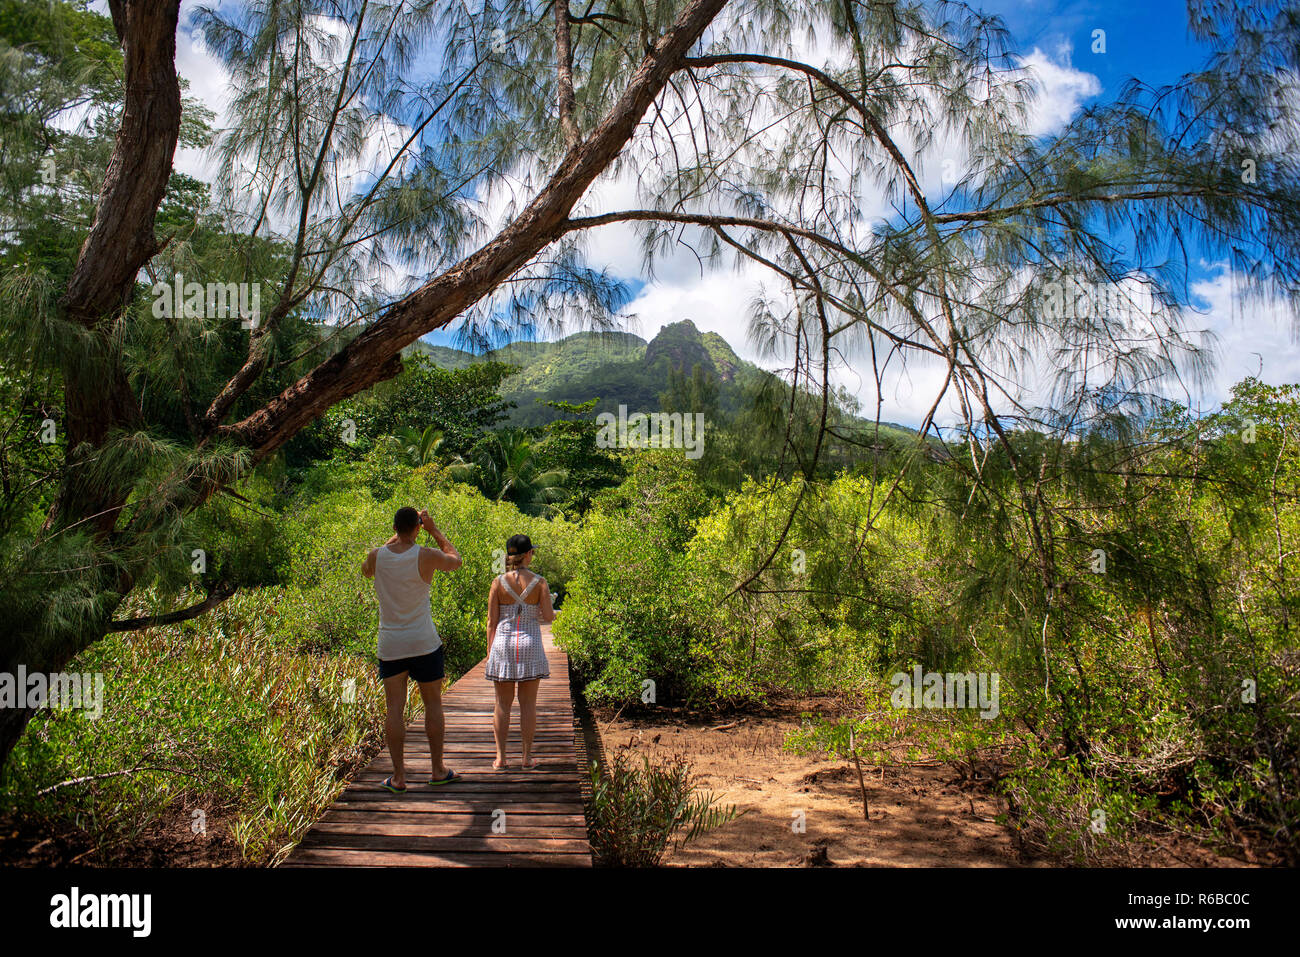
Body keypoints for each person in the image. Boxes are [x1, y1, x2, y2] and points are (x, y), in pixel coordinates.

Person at [361, 507, 462, 792]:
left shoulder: (375, 556)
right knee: (433, 704)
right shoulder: (425, 555)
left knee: (394, 708)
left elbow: (366, 572)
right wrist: (433, 530)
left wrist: (394, 539)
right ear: (417, 527)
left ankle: (398, 777)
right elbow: (456, 561)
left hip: (391, 644)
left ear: (394, 528)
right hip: (423, 642)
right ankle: (438, 770)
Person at [484, 534, 556, 770]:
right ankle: (526, 758)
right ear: (527, 555)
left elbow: (491, 623)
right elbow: (547, 616)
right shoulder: (540, 582)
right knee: (528, 704)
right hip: (530, 645)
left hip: (503, 645)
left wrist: (489, 654)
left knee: (502, 704)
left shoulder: (498, 582)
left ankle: (501, 758)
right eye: (532, 552)